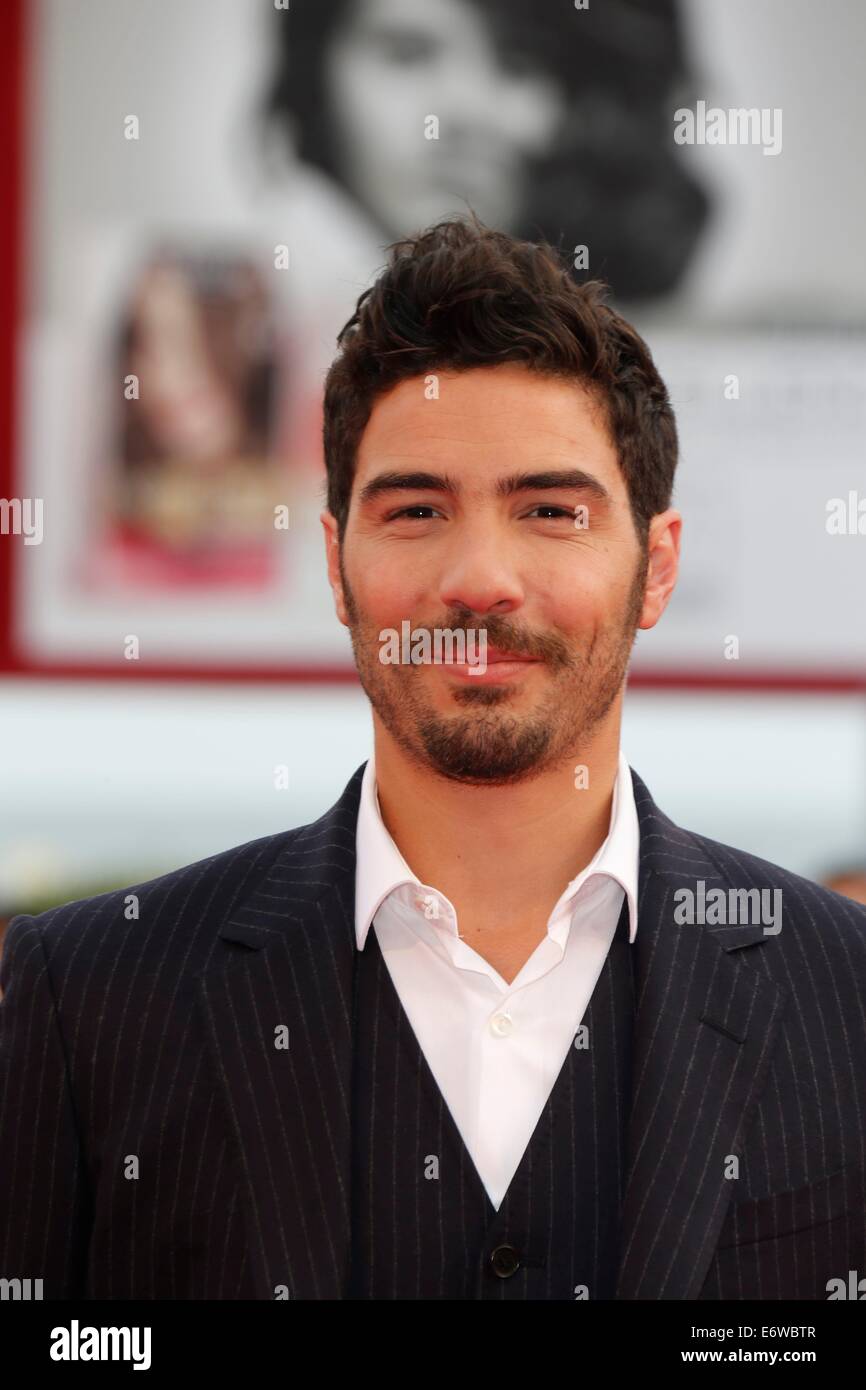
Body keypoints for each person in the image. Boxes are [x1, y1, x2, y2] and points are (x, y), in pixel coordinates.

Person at [1, 215, 863, 1301]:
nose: (479, 577)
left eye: (549, 510)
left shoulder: (844, 990)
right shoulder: (93, 1000)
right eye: (415, 509)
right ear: (335, 564)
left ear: (654, 567)